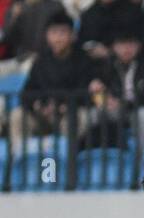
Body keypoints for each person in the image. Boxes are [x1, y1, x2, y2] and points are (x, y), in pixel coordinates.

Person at [9, 11, 96, 146]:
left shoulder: (84, 60)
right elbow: (26, 92)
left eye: (62, 33)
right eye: (53, 33)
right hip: (43, 116)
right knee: (18, 115)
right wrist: (38, 105)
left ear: (72, 35)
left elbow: (85, 93)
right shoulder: (40, 61)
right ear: (46, 35)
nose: (58, 38)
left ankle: (66, 161)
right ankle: (23, 161)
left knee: (79, 117)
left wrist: (63, 106)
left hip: (69, 113)